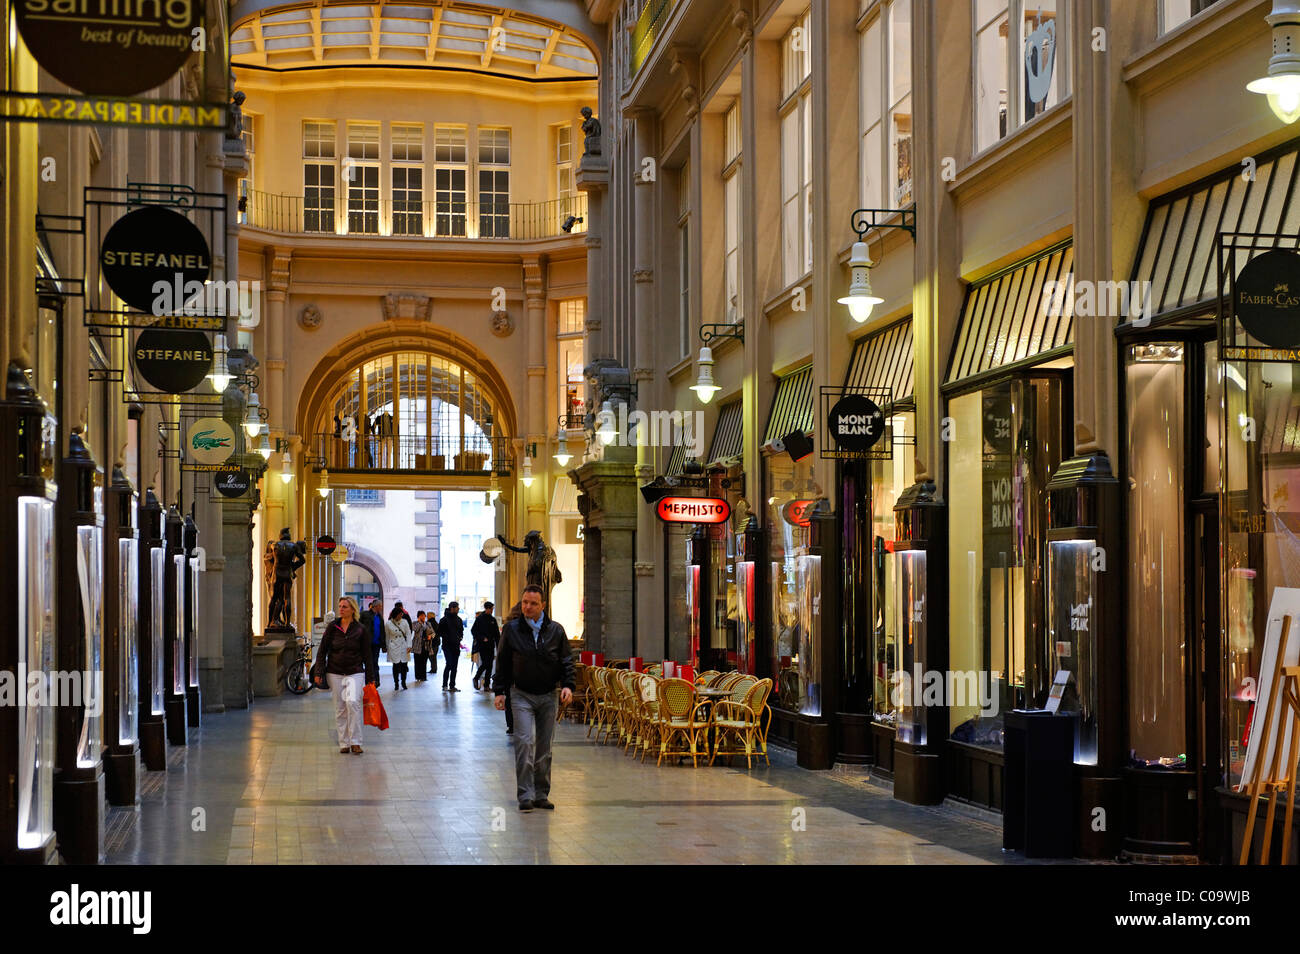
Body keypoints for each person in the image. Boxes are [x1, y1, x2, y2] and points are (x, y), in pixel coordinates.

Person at [493, 585, 576, 812]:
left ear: (543, 606)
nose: (527, 607)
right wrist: (499, 691)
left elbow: (566, 661)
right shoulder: (511, 630)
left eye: (532, 603)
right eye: (524, 603)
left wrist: (568, 685)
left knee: (544, 748)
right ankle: (525, 795)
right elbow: (502, 662)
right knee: (524, 742)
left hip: (549, 695)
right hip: (521, 695)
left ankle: (541, 793)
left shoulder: (556, 631)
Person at [317, 596, 379, 754]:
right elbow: (322, 650)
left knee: (353, 704)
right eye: (340, 606)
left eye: (345, 606)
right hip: (335, 672)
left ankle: (356, 742)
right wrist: (319, 671)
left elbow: (367, 655)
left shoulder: (360, 629)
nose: (341, 609)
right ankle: (344, 743)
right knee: (340, 708)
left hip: (354, 672)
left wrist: (371, 678)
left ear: (352, 609)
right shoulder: (333, 627)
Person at [471, 601, 500, 691]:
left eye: (492, 609)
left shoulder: (493, 620)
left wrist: (499, 646)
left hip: (491, 645)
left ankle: (487, 685)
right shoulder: (480, 619)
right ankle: (476, 677)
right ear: (487, 609)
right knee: (486, 663)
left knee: (490, 665)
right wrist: (482, 638)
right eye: (491, 609)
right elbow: (473, 631)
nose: (492, 610)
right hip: (482, 645)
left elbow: (496, 634)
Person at [438, 602, 466, 691]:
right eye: (457, 608)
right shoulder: (444, 620)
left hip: (456, 646)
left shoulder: (459, 619)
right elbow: (439, 632)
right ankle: (444, 685)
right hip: (447, 646)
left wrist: (460, 637)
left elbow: (461, 630)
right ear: (452, 608)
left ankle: (452, 685)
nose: (458, 609)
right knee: (449, 664)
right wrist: (448, 637)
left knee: (454, 666)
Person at [385, 606, 412, 690]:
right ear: (395, 614)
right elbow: (387, 636)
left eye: (402, 614)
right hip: (394, 646)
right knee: (395, 665)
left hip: (404, 646)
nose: (401, 616)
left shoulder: (405, 622)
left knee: (404, 665)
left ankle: (403, 682)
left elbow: (408, 634)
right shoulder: (388, 623)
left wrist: (409, 645)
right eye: (400, 614)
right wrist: (387, 647)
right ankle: (396, 683)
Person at [359, 598, 385, 676]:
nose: (381, 608)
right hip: (367, 643)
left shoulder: (380, 617)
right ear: (375, 606)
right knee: (368, 662)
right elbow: (359, 626)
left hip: (376, 644)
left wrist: (383, 645)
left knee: (375, 662)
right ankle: (370, 681)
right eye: (380, 606)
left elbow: (382, 631)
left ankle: (376, 681)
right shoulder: (364, 614)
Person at [411, 610, 430, 682]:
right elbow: (415, 629)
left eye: (424, 615)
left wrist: (430, 636)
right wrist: (419, 623)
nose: (423, 617)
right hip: (417, 645)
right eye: (421, 615)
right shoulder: (414, 623)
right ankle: (418, 676)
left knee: (424, 662)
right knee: (417, 661)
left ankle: (423, 676)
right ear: (418, 616)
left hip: (425, 645)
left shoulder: (428, 623)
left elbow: (432, 632)